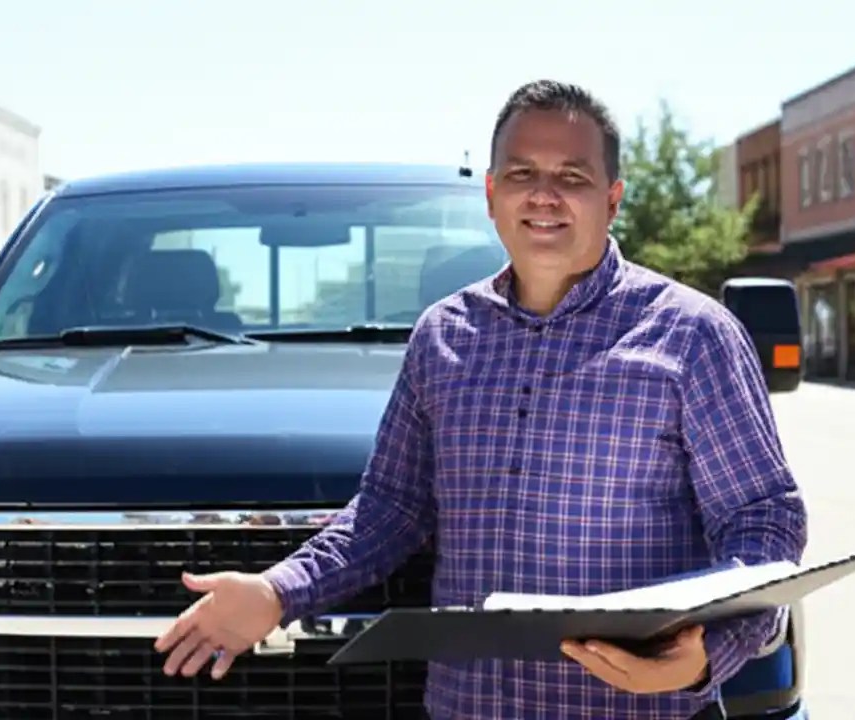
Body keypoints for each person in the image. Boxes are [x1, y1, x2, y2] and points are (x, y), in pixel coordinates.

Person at [154, 79, 809, 719]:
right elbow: (391, 507)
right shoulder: (443, 338)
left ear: (613, 200)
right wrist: (277, 591)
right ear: (492, 195)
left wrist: (702, 659)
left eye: (573, 177)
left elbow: (763, 524)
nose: (545, 196)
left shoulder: (693, 335)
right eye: (523, 174)